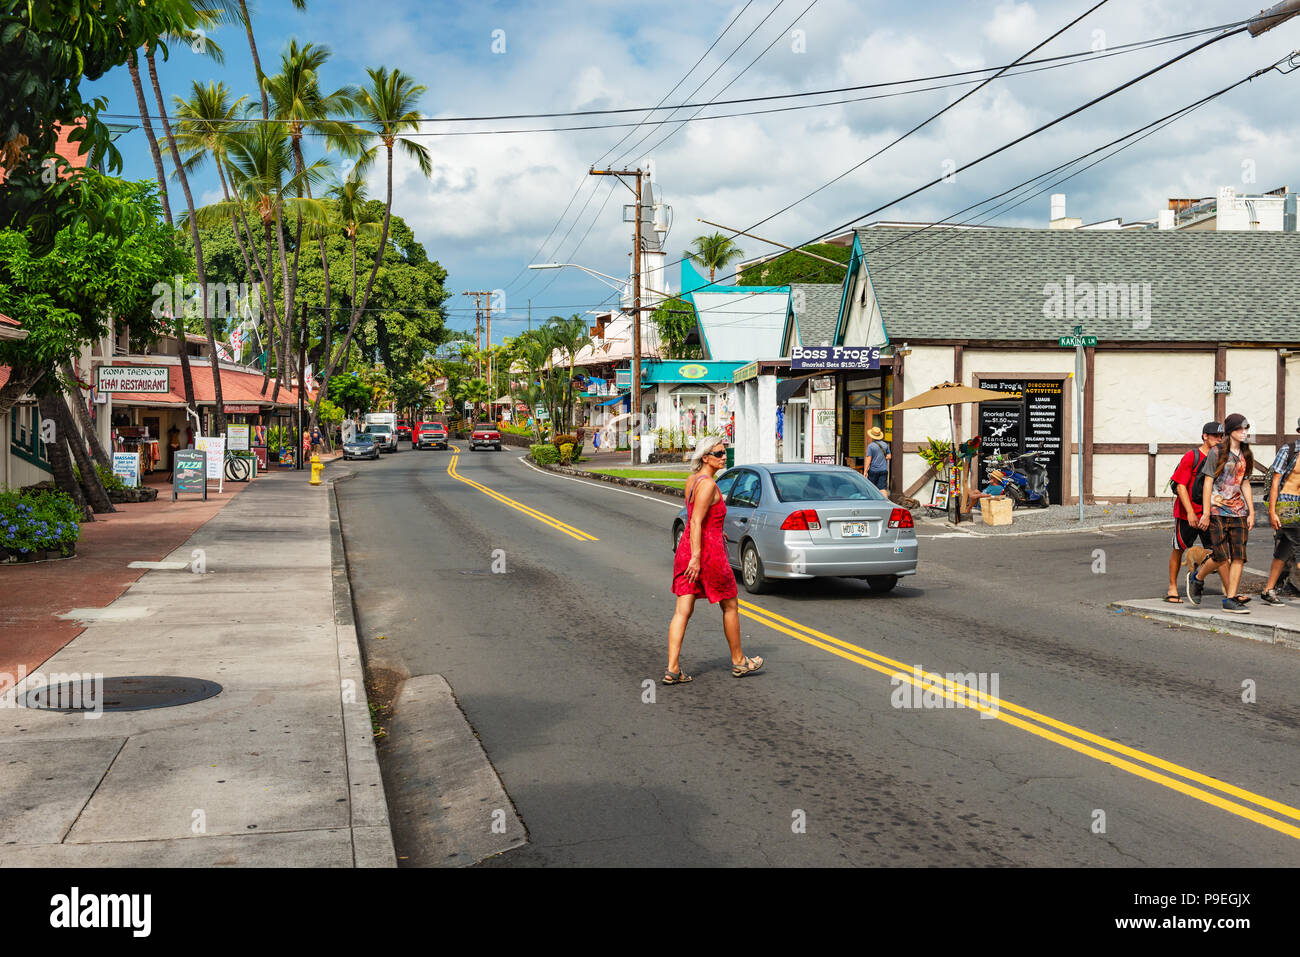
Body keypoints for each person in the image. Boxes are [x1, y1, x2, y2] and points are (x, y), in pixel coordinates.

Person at [665, 434, 764, 684]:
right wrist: (698, 558)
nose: (724, 457)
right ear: (705, 457)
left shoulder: (692, 481)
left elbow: (699, 518)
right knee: (730, 606)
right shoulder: (709, 485)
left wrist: (716, 530)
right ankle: (739, 661)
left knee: (682, 610)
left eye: (724, 452)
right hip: (708, 554)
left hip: (687, 549)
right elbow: (696, 521)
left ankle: (673, 668)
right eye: (719, 453)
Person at [1187, 413, 1254, 613]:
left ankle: (1230, 598)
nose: (1244, 432)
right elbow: (1208, 481)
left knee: (1239, 556)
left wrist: (1250, 511)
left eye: (1246, 429)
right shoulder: (1216, 453)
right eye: (1240, 429)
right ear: (1230, 431)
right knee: (1220, 556)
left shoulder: (1246, 454)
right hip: (1217, 511)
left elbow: (1245, 482)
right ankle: (1197, 577)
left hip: (1238, 511)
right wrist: (1206, 513)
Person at [1165, 421, 1222, 603]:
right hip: (1186, 512)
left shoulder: (1220, 457)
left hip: (1209, 513)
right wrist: (1190, 512)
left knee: (1218, 552)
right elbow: (1181, 486)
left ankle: (1227, 590)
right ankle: (1172, 588)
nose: (1219, 439)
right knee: (1179, 549)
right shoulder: (1192, 456)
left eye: (1222, 436)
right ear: (1205, 436)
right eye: (1215, 435)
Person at [1260, 416, 1300, 605]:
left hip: (1299, 505)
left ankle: (1268, 590)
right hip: (1286, 504)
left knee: (1284, 549)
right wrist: (1272, 511)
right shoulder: (1288, 450)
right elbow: (1275, 480)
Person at [865, 426, 890, 490]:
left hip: (873, 470)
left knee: (872, 489)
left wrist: (865, 471)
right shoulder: (885, 444)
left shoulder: (870, 446)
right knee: (882, 489)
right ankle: (885, 500)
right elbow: (889, 456)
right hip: (883, 470)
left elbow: (868, 459)